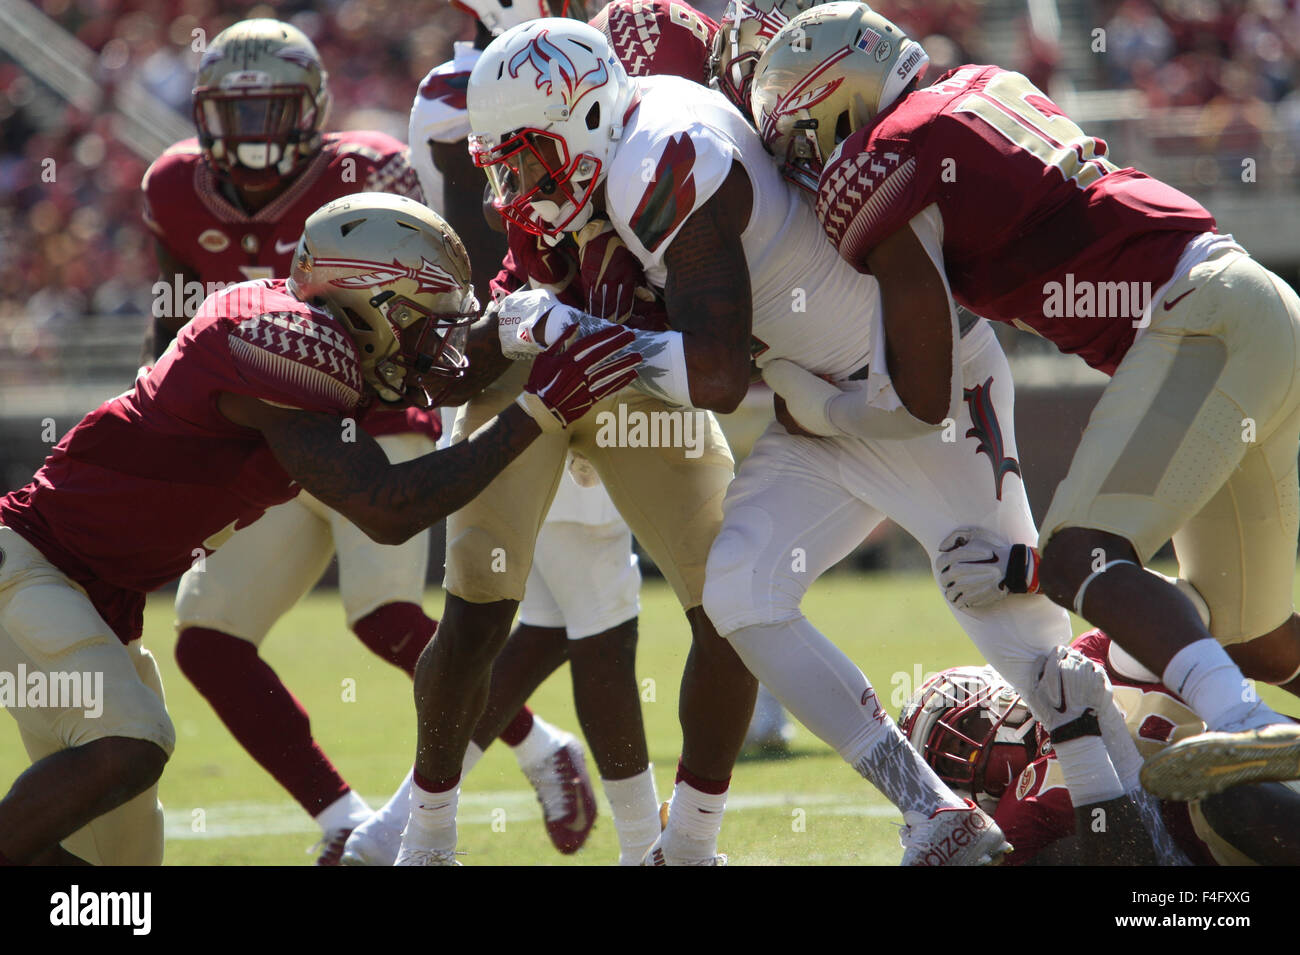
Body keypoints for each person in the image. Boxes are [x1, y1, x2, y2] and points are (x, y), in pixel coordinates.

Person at [456, 16, 1117, 867]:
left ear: (586, 120)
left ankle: (1146, 827)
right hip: (822, 407)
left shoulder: (657, 156)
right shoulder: (632, 133)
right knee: (740, 592)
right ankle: (935, 813)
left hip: (919, 391)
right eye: (501, 166)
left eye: (528, 161)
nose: (518, 190)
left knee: (1029, 651)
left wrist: (565, 329)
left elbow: (717, 378)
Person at [750, 0, 1300, 801]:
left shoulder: (882, 155)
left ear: (841, 94)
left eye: (804, 131)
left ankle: (1244, 724)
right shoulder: (981, 85)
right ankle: (1244, 699)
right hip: (1256, 303)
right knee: (1254, 636)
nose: (806, 157)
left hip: (1197, 316)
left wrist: (816, 404)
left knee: (1084, 552)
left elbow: (923, 397)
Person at [0, 191, 637, 865]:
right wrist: (541, 410)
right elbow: (388, 508)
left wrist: (519, 329)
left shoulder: (329, 337)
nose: (441, 341)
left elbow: (435, 379)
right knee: (132, 740)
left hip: (96, 598)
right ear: (371, 302)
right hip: (35, 565)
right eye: (427, 321)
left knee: (113, 874)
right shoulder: (289, 342)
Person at [140, 18, 589, 862]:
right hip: (266, 441)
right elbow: (172, 316)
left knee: (382, 615)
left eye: (269, 112)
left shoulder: (367, 167)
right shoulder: (173, 187)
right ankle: (343, 817)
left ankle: (541, 749)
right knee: (206, 635)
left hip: (372, 417)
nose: (252, 137)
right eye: (234, 116)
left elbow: (439, 298)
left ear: (310, 110)